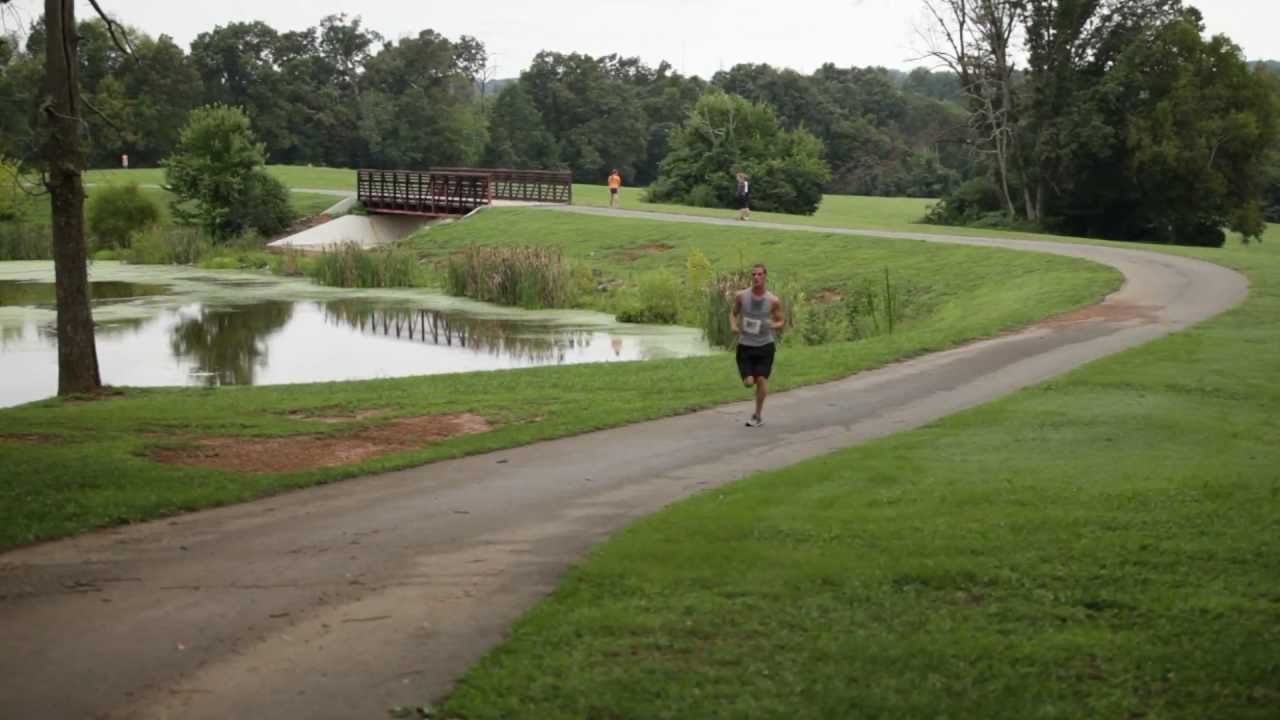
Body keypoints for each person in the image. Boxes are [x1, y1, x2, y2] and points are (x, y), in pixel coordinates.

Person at [730, 263, 784, 427]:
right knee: (748, 382)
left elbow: (781, 320)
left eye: (760, 274)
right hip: (745, 345)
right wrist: (733, 325)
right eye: (754, 274)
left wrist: (772, 325)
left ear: (765, 276)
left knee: (761, 379)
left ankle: (757, 416)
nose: (756, 277)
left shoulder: (773, 300)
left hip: (765, 345)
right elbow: (733, 313)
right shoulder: (741, 296)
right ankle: (750, 379)